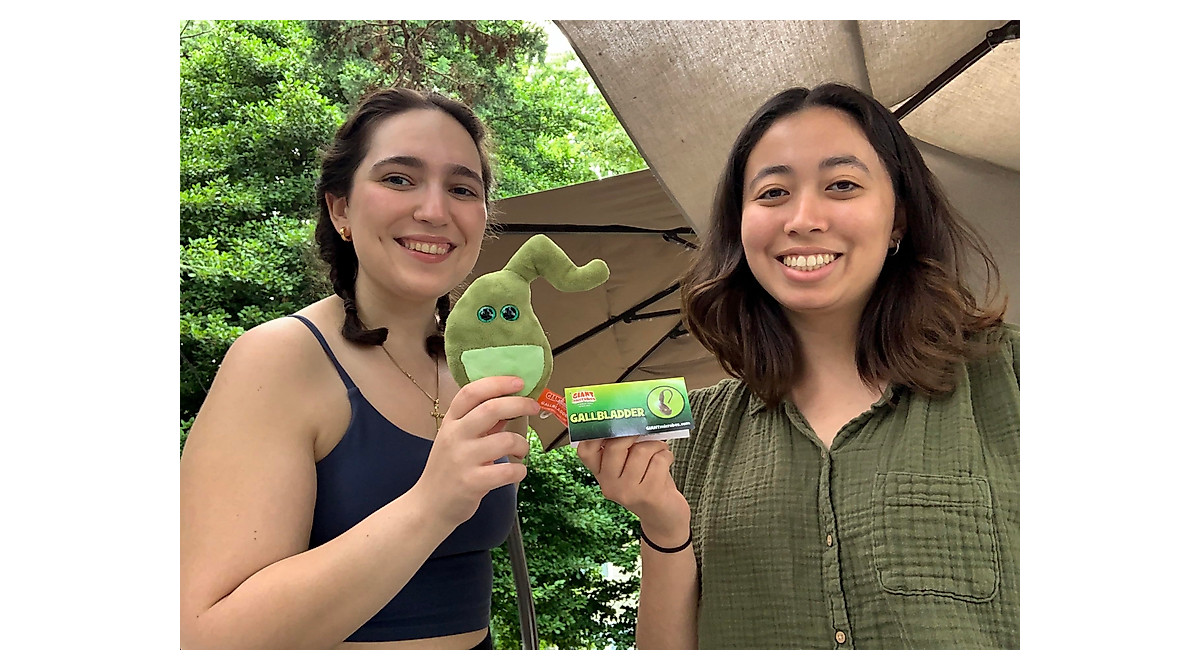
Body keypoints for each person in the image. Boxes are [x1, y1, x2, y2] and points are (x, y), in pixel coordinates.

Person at [577, 82, 1018, 649]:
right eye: (773, 193)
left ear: (899, 218)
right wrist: (663, 526)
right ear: (740, 226)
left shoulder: (1013, 378)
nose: (803, 219)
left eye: (842, 185)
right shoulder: (694, 433)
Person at [179, 87, 541, 649]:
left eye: (462, 189)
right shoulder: (279, 358)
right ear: (340, 209)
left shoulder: (478, 369)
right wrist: (430, 505)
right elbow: (204, 638)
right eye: (399, 178)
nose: (435, 210)